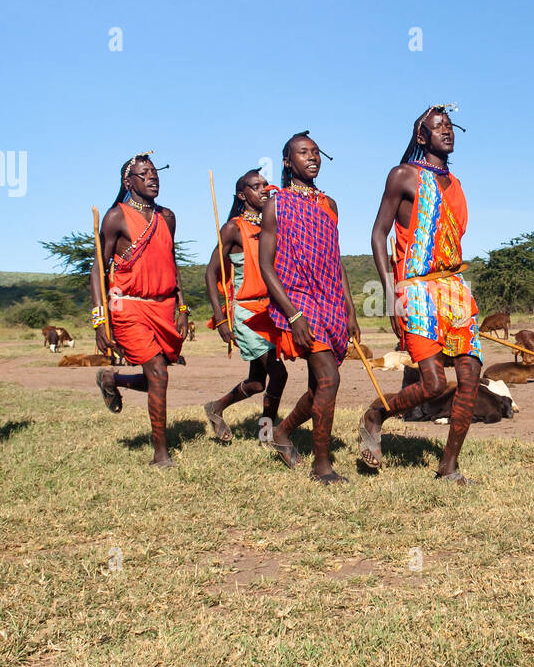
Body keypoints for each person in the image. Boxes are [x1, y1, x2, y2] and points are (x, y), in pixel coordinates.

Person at [358, 105, 483, 483]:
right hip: (416, 289)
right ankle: (375, 416)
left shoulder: (457, 185)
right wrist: (390, 294)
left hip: (455, 290)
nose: (447, 131)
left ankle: (448, 466)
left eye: (450, 126)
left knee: (471, 376)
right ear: (421, 136)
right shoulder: (403, 176)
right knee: (431, 383)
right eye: (438, 126)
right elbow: (378, 234)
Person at [249, 131, 361, 484]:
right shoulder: (276, 204)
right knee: (330, 378)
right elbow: (266, 266)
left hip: (330, 299)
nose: (312, 157)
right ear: (287, 161)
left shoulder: (329, 205)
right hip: (297, 299)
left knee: (319, 385)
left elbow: (335, 260)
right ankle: (322, 466)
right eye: (303, 152)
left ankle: (281, 432)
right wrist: (293, 314)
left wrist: (351, 308)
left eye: (315, 152)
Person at [93, 152, 188, 467]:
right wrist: (99, 320)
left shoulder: (168, 217)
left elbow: (171, 264)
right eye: (144, 173)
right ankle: (161, 454)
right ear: (128, 181)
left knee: (155, 378)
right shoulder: (115, 217)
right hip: (128, 305)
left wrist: (183, 307)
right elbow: (98, 269)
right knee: (158, 375)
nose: (152, 177)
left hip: (163, 307)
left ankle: (113, 379)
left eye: (155, 172)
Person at [202, 169, 288, 441]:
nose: (264, 190)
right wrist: (220, 318)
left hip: (269, 312)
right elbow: (210, 272)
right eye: (256, 186)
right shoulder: (232, 228)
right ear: (243, 195)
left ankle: (216, 407)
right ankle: (267, 433)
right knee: (279, 373)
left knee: (255, 383)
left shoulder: (271, 225)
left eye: (265, 185)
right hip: (246, 312)